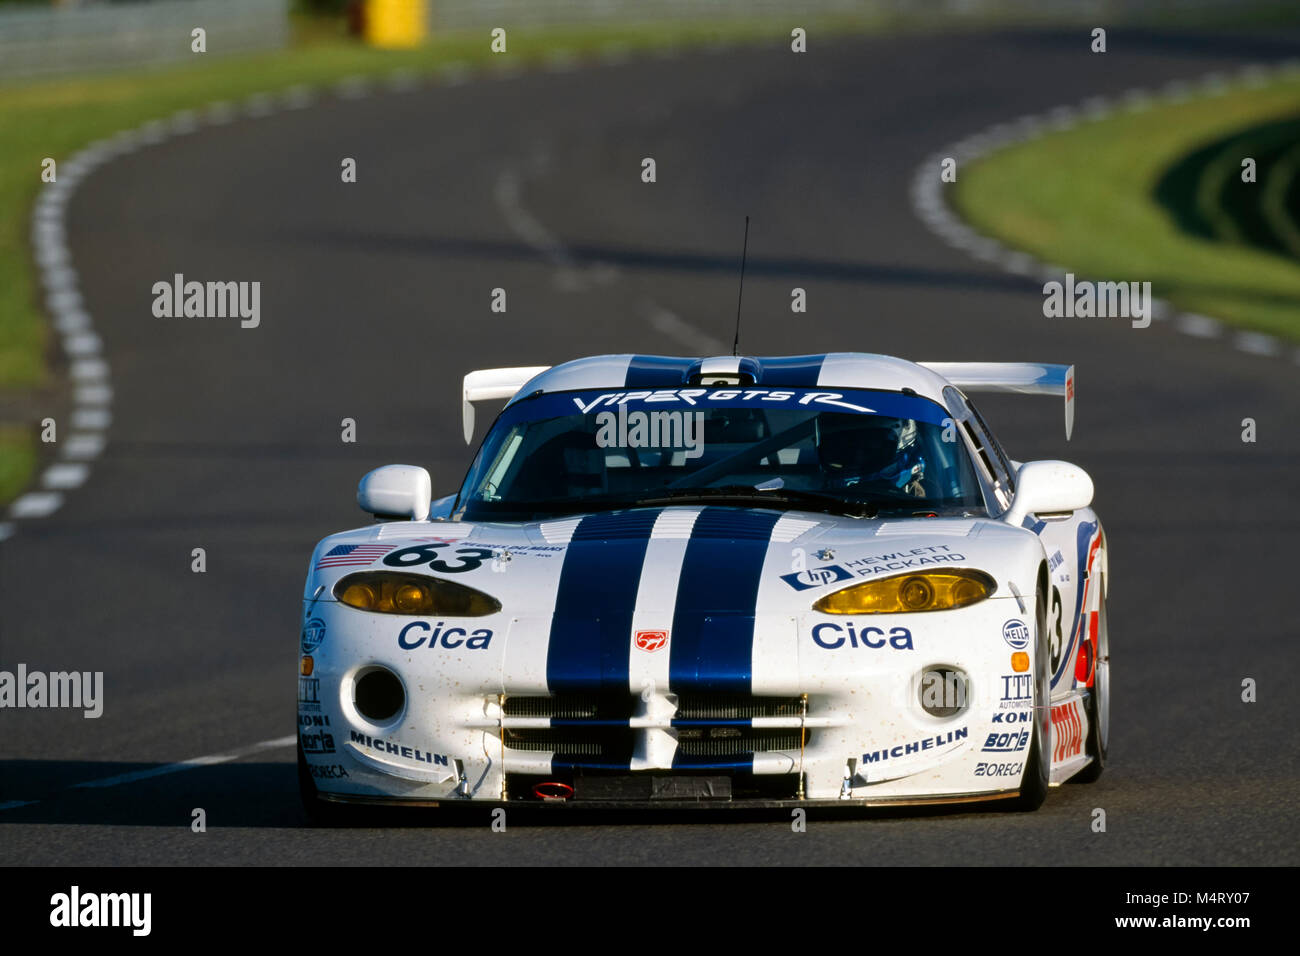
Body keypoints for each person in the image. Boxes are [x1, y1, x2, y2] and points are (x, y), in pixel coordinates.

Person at [815, 412, 926, 497]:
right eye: (842, 450)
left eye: (871, 447)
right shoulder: (806, 493)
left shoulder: (924, 503)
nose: (857, 457)